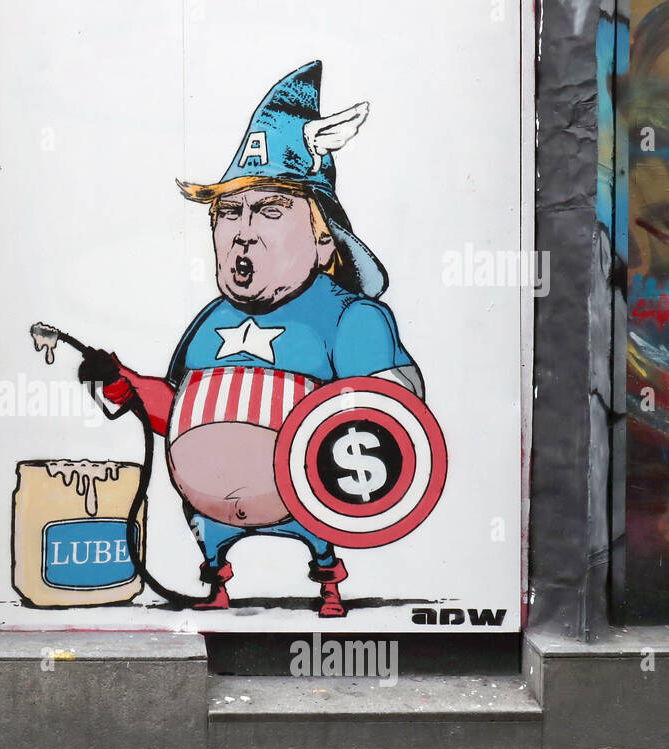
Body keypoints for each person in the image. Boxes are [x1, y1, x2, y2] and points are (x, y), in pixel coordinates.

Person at [80, 62, 426, 617]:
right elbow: (180, 409)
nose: (241, 230)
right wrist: (124, 386)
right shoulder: (207, 322)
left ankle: (328, 583)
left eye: (269, 210)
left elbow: (384, 429)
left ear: (323, 241)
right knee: (211, 544)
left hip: (306, 509)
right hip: (209, 514)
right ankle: (216, 581)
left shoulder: (349, 319)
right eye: (228, 211)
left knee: (319, 543)